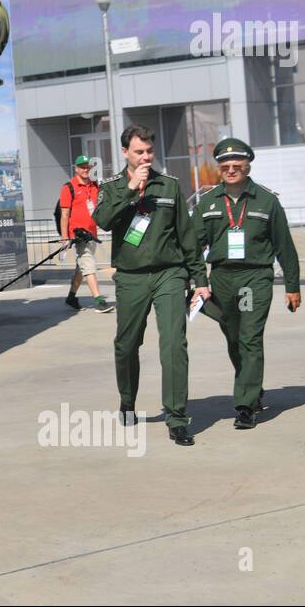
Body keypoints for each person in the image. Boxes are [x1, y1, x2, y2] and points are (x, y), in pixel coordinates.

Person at [93, 125, 209, 446]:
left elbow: (187, 236)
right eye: (139, 152)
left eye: (149, 151)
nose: (145, 157)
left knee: (173, 344)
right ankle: (127, 401)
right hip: (131, 277)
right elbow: (102, 221)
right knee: (126, 345)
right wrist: (131, 188)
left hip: (169, 274)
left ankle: (176, 417)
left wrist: (199, 278)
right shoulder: (112, 186)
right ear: (125, 153)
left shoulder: (169, 186)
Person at [193, 138, 301, 430]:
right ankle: (251, 387)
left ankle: (244, 406)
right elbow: (192, 247)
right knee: (234, 339)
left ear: (247, 165)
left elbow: (285, 247)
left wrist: (293, 286)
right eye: (225, 166)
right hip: (222, 279)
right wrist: (199, 281)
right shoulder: (208, 202)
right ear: (219, 168)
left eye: (237, 165)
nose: (231, 170)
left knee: (249, 338)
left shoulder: (267, 201)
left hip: (253, 279)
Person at [59, 155, 112, 313]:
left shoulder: (95, 186)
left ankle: (71, 297)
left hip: (92, 234)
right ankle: (99, 300)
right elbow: (64, 215)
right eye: (82, 166)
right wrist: (64, 238)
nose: (85, 169)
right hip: (78, 236)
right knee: (88, 265)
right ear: (76, 168)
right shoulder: (68, 187)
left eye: (87, 166)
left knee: (82, 268)